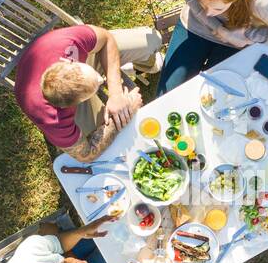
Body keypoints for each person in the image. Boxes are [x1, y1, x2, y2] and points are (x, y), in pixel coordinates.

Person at [13, 24, 162, 162]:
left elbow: (106, 38)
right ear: (77, 103)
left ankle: (140, 67)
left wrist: (116, 93)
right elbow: (86, 154)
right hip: (54, 97)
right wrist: (125, 113)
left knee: (152, 39)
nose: (100, 78)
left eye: (96, 76)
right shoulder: (54, 120)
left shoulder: (66, 44)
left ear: (70, 63)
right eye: (98, 83)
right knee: (101, 134)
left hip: (74, 55)